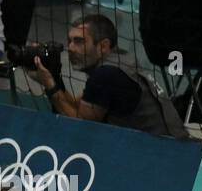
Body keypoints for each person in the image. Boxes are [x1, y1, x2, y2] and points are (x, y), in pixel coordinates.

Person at [33, 14, 186, 138]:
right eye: (69, 41)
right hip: (174, 142)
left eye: (79, 41)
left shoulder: (106, 75)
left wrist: (49, 85)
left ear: (103, 46)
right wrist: (53, 77)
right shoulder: (121, 59)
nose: (70, 48)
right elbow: (75, 104)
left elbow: (79, 127)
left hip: (161, 154)